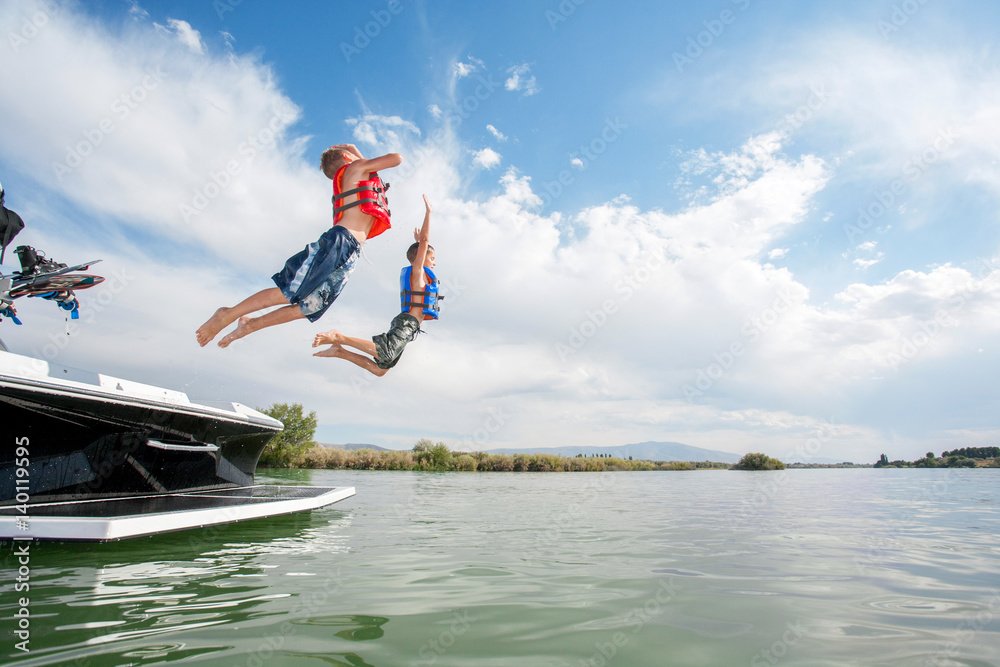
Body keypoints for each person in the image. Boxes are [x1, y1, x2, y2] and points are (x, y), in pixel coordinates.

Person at [195, 144, 401, 348]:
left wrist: (352, 150)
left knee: (310, 306)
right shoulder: (356, 168)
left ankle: (250, 325)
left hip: (351, 252)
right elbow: (396, 158)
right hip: (339, 243)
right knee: (291, 291)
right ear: (348, 158)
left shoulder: (359, 174)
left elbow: (372, 173)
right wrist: (354, 150)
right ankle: (227, 314)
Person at [312, 194, 438, 375]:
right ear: (422, 257)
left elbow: (422, 246)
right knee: (385, 354)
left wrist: (418, 243)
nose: (434, 263)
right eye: (432, 258)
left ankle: (340, 351)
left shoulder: (420, 275)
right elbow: (425, 242)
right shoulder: (418, 272)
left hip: (408, 326)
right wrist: (428, 213)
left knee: (380, 370)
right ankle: (339, 337)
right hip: (407, 324)